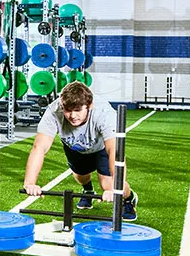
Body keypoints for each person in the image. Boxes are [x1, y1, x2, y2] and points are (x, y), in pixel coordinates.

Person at [22, 81, 138, 221]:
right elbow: (39, 148)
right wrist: (29, 182)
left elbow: (114, 150)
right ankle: (88, 190)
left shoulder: (104, 113)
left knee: (108, 184)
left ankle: (129, 199)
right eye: (68, 110)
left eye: (77, 110)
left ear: (89, 106)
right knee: (80, 177)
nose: (72, 115)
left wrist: (116, 189)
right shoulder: (54, 111)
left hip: (101, 148)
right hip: (75, 147)